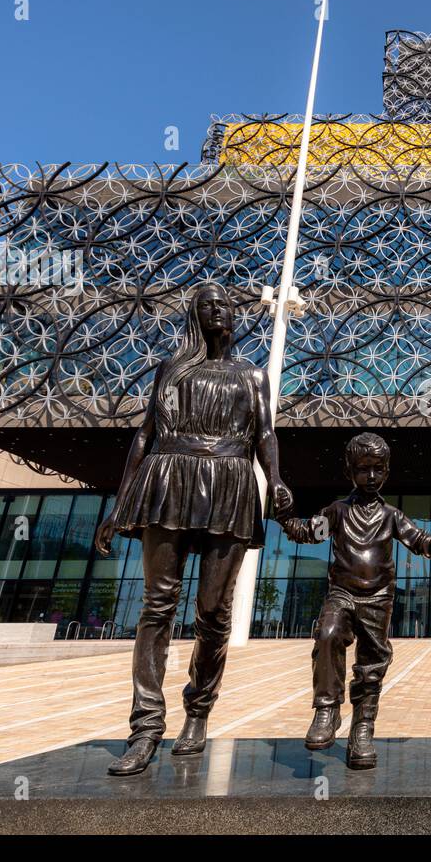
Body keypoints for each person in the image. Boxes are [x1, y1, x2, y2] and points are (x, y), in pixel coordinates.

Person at [94, 283, 294, 777]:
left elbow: (265, 433)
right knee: (156, 605)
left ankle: (198, 713)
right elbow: (145, 434)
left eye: (224, 304)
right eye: (207, 305)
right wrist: (120, 503)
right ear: (195, 316)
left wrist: (276, 479)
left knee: (213, 611)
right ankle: (144, 727)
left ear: (235, 315)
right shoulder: (172, 368)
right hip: (169, 477)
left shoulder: (252, 375)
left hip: (229, 482)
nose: (218, 310)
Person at [280, 432, 431, 769]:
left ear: (386, 472)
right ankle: (327, 710)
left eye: (377, 470)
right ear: (349, 471)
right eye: (363, 469)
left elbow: (422, 541)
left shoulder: (392, 516)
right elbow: (309, 533)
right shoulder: (337, 511)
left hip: (379, 598)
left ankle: (363, 731)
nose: (370, 477)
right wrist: (284, 518)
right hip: (341, 594)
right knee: (327, 634)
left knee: (371, 667)